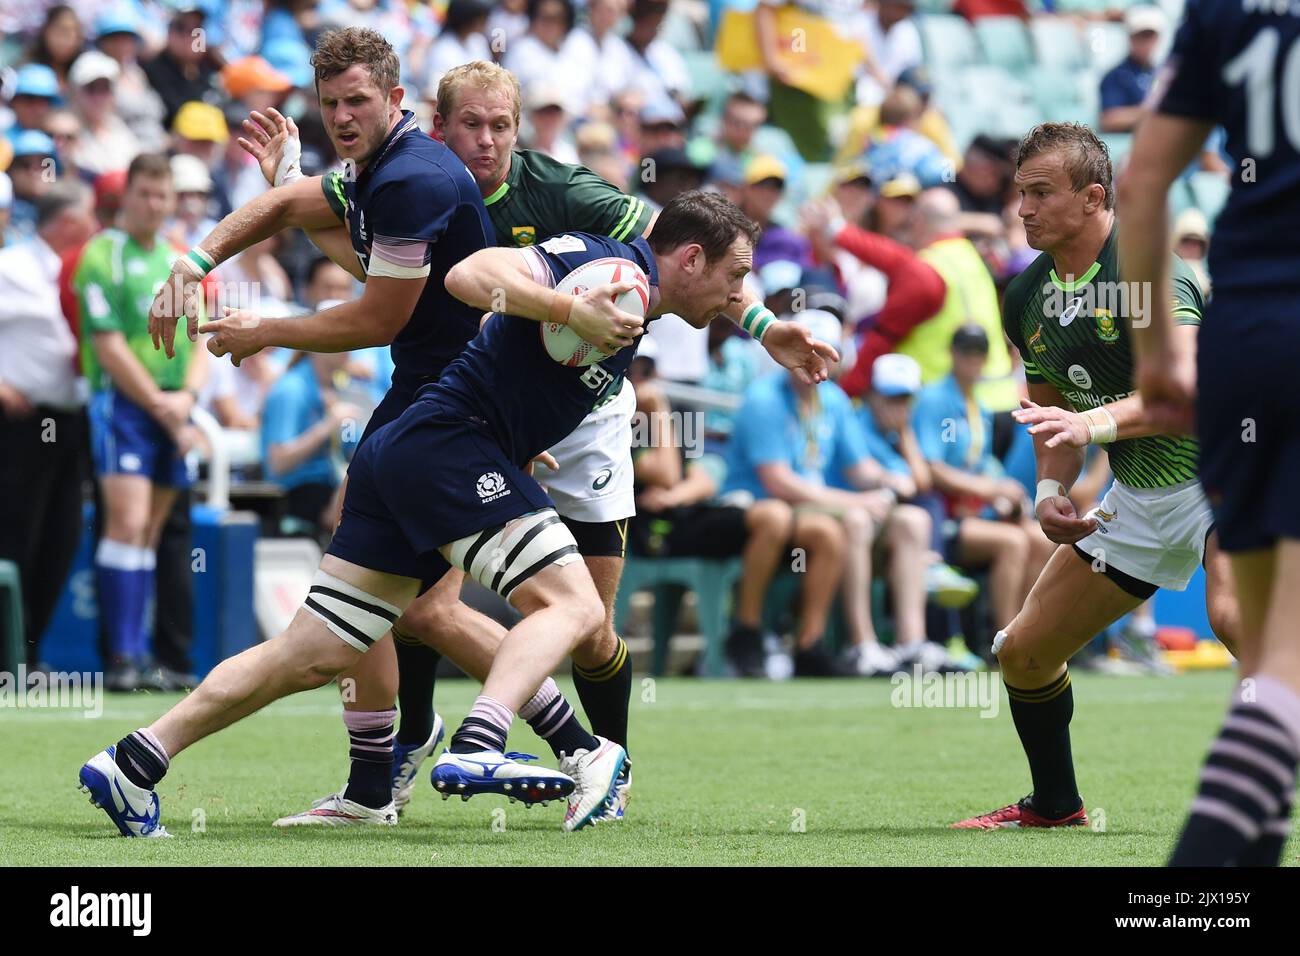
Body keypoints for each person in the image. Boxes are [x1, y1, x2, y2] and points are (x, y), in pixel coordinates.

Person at [234, 58, 836, 825]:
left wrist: (758, 323)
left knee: (589, 628)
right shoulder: (414, 182)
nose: (486, 141)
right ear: (438, 126)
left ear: (519, 131)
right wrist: (272, 196)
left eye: (502, 126)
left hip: (583, 420)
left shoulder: (562, 189)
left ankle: (603, 770)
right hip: (472, 406)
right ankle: (418, 742)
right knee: (420, 603)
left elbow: (694, 255)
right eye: (471, 125)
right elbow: (364, 257)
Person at [78, 191, 752, 838]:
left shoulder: (633, 295)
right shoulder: (613, 273)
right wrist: (564, 312)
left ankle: (134, 762)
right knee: (576, 608)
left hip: (411, 450)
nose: (736, 294)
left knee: (311, 652)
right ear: (689, 259)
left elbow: (497, 330)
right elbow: (472, 274)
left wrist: (520, 424)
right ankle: (483, 740)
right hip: (449, 447)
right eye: (733, 276)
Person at [951, 122, 1241, 830]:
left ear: (1094, 197)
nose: (1023, 208)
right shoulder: (1023, 296)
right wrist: (1051, 494)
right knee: (1022, 653)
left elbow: (1188, 391)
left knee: (1237, 623)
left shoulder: (1145, 273)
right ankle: (1055, 807)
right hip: (1137, 499)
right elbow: (1052, 418)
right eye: (1020, 193)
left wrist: (1092, 424)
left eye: (1041, 193)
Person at [1123, 0, 1300, 867]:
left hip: (1246, 340)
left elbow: (1143, 180)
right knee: (1290, 674)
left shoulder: (1228, 9)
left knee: (1270, 656)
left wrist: (1158, 350)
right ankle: (1188, 901)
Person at [724, 310, 933, 676]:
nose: (815, 361)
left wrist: (888, 479)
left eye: (824, 353)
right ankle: (856, 644)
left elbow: (858, 468)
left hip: (809, 505)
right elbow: (778, 483)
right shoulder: (764, 396)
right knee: (845, 522)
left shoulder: (833, 398)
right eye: (808, 351)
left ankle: (910, 644)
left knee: (914, 519)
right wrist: (859, 500)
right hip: (763, 505)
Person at [628, 344, 847, 678]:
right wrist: (657, 408)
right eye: (633, 371)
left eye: (647, 371)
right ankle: (746, 631)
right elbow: (667, 474)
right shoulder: (618, 424)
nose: (641, 380)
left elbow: (706, 474)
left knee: (825, 533)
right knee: (773, 515)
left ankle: (809, 645)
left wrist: (681, 492)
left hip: (694, 514)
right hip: (660, 536)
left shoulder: (680, 418)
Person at [74, 152, 209, 693]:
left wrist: (189, 398)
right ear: (126, 197)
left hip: (175, 405)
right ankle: (121, 657)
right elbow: (107, 347)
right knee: (126, 524)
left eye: (163, 195)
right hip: (125, 406)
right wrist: (162, 405)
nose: (154, 205)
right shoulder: (101, 256)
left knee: (151, 533)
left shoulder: (178, 261)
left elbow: (200, 338)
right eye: (145, 194)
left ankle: (149, 657)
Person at [0, 181, 97, 670]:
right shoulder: (11, 265)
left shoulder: (79, 269)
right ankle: (4, 653)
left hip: (68, 420)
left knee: (60, 536)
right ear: (66, 222)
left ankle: (28, 650)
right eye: (88, 217)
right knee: (14, 533)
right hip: (19, 422)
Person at [1098, 6, 1166, 135]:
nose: (1147, 42)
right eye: (1141, 36)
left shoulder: (1161, 72)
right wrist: (1153, 112)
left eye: (1150, 36)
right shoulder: (1116, 75)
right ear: (1130, 38)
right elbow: (1109, 119)